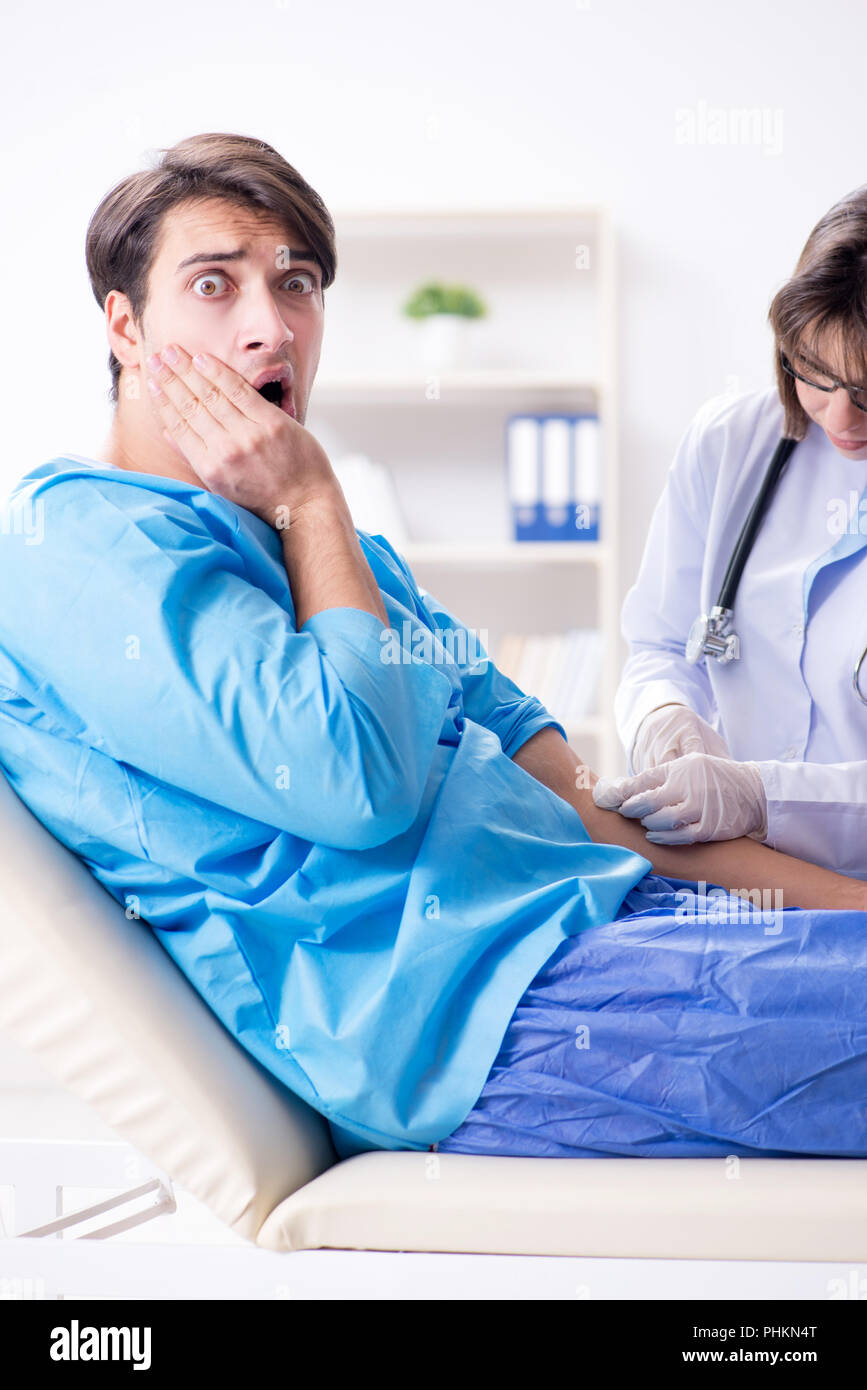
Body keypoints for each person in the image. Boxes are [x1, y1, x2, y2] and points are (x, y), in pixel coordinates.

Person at [1, 135, 866, 1167]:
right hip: (480, 1020)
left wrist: (843, 904)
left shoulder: (347, 561)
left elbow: (580, 797)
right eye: (214, 284)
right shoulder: (74, 544)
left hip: (611, 920)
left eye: (297, 283)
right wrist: (310, 495)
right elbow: (353, 783)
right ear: (125, 324)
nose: (269, 326)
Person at [593, 185, 867, 880]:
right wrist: (664, 720)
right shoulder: (731, 443)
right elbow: (659, 644)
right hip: (732, 879)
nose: (838, 419)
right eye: (815, 374)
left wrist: (759, 795)